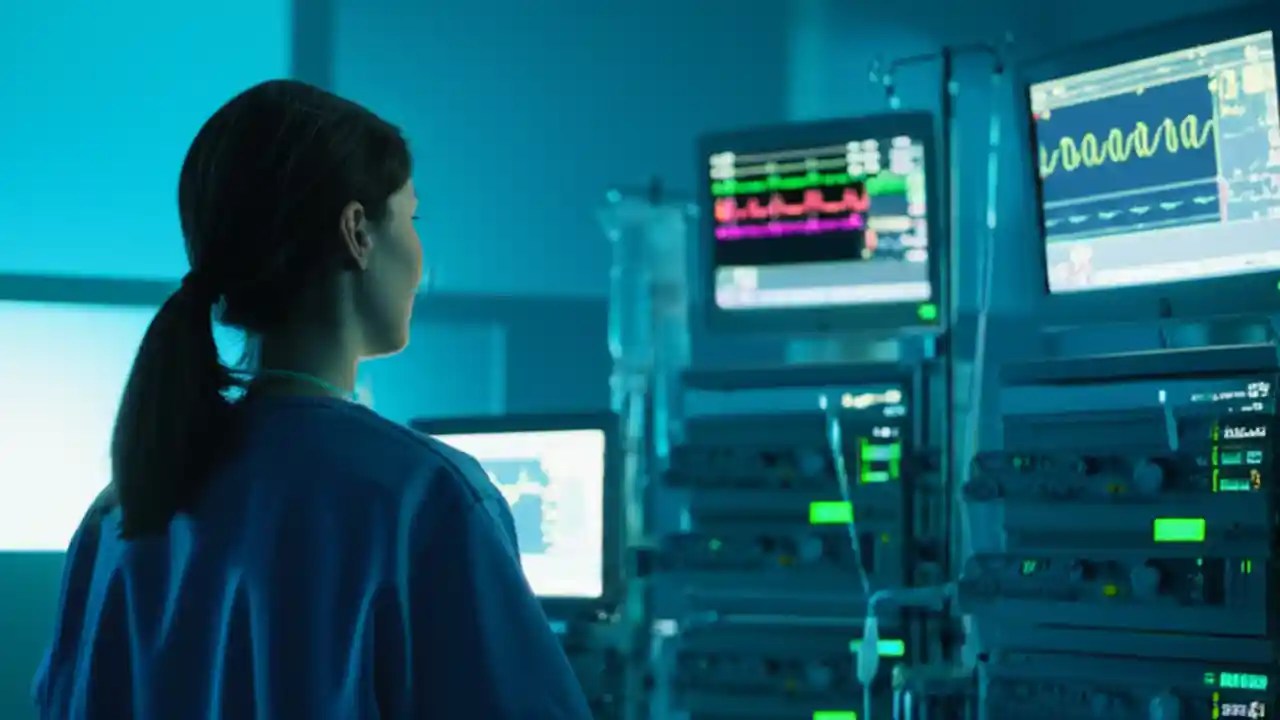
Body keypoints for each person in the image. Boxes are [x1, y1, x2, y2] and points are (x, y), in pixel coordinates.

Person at [32, 79, 593, 720]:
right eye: (411, 218)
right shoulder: (423, 499)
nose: (422, 262)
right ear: (357, 232)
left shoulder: (119, 515)